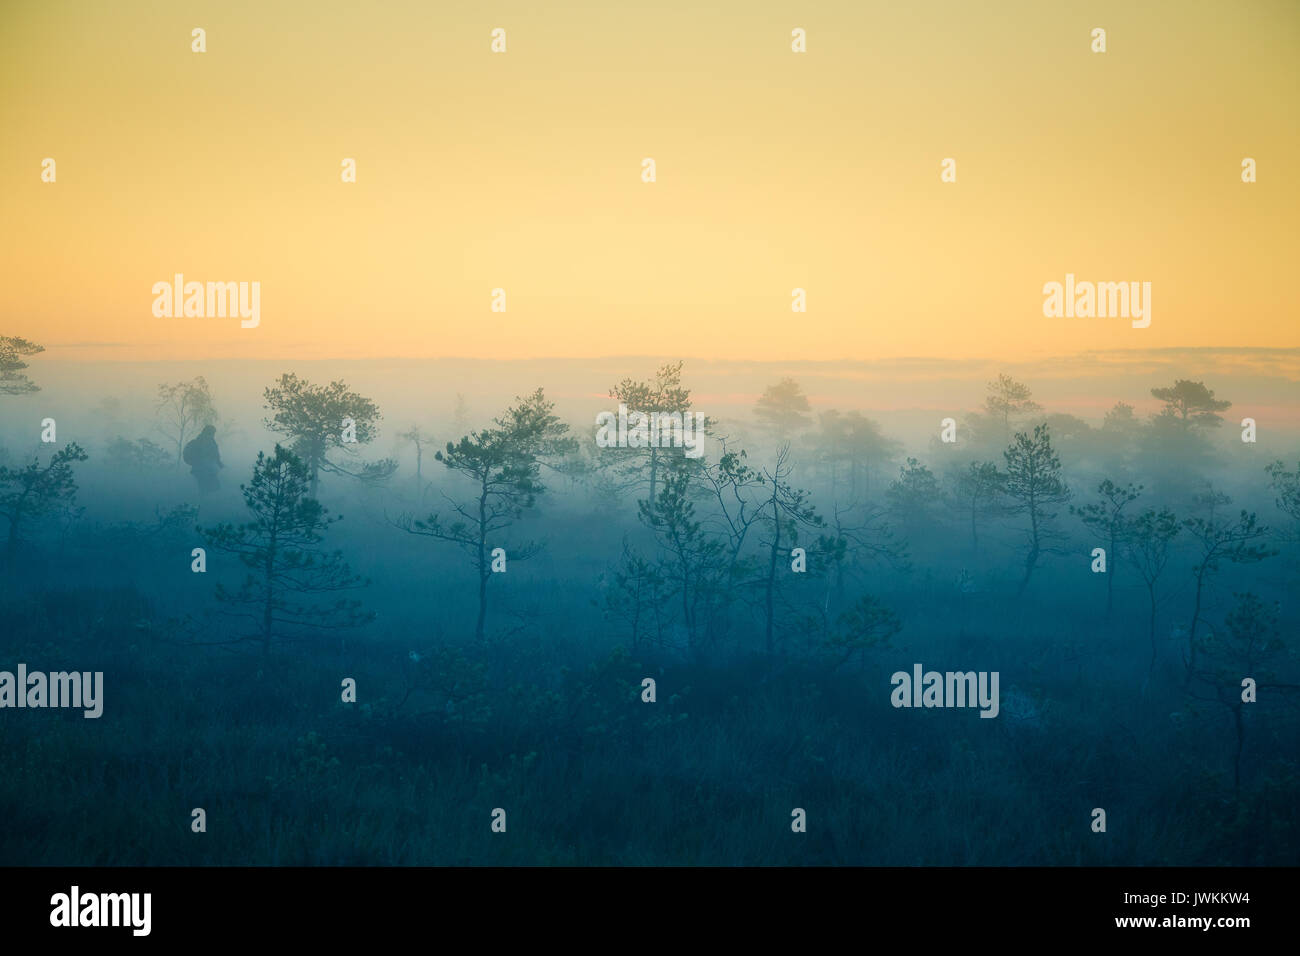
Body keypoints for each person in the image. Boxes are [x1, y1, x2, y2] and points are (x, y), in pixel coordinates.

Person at [182, 424, 223, 493]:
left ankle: (206, 501)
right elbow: (212, 455)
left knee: (213, 488)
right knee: (206, 489)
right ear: (208, 432)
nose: (213, 434)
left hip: (208, 470)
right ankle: (204, 502)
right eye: (212, 432)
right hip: (201, 470)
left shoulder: (211, 442)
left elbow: (216, 456)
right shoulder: (200, 442)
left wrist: (219, 465)